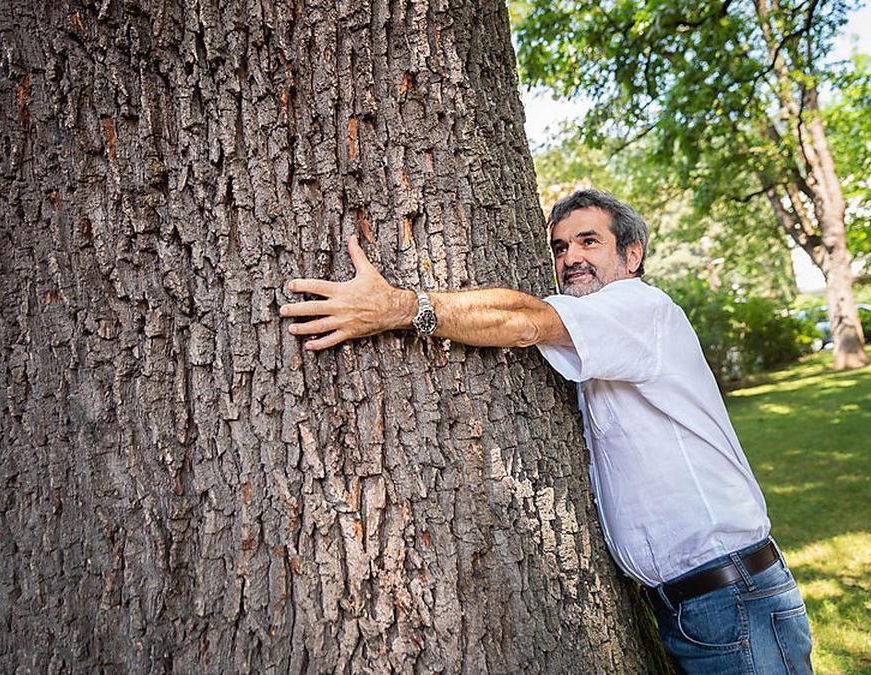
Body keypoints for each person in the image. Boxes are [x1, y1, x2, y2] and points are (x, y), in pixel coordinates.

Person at [278, 189, 814, 674]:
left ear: (632, 256)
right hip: (693, 606)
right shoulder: (607, 339)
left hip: (731, 598)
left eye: (588, 241)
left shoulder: (639, 307)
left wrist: (398, 307)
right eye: (559, 247)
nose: (570, 258)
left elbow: (524, 319)